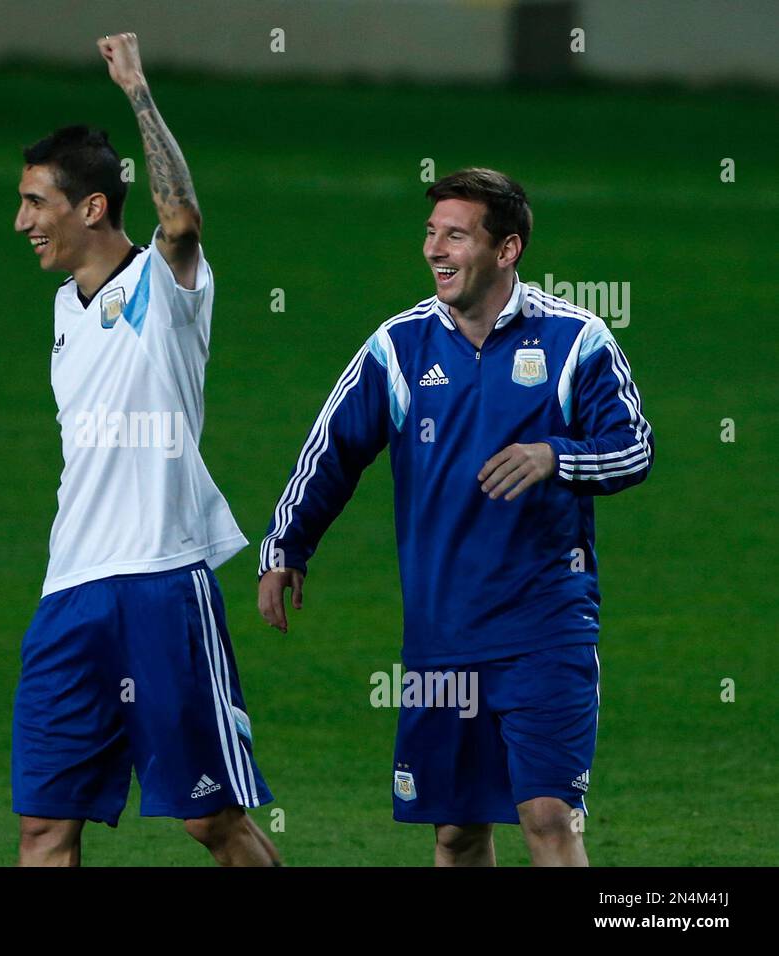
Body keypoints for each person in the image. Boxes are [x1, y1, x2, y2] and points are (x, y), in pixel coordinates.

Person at [258, 168, 653, 866]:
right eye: (431, 233)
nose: (436, 250)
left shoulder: (576, 340)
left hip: (546, 626)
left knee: (548, 814)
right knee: (457, 829)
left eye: (456, 236)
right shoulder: (399, 348)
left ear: (506, 251)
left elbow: (632, 450)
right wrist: (287, 545)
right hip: (443, 634)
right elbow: (333, 452)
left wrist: (555, 457)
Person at [10, 34, 280, 866]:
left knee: (211, 822)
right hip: (70, 595)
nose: (21, 222)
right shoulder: (63, 308)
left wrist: (138, 94)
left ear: (91, 207)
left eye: (35, 203)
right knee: (45, 826)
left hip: (162, 583)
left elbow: (181, 219)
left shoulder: (166, 287)